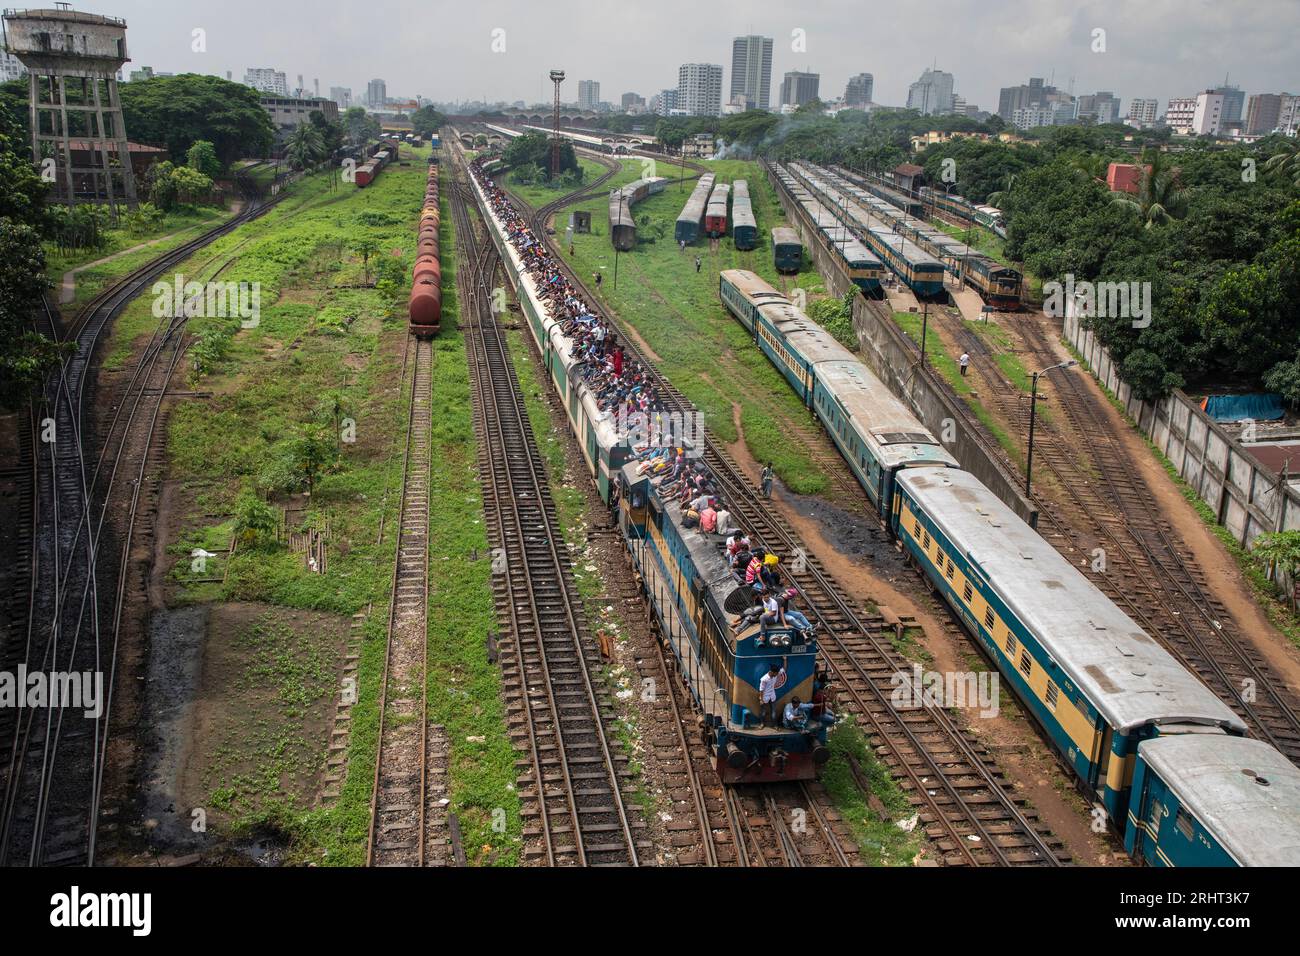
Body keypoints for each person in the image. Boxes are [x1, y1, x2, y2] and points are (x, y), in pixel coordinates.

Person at [758, 658, 786, 727]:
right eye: (776, 673)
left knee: (774, 712)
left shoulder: (775, 674)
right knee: (763, 712)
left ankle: (775, 725)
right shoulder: (764, 679)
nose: (777, 675)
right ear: (772, 672)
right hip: (765, 697)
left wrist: (785, 659)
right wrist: (761, 700)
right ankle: (762, 723)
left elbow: (784, 669)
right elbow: (761, 690)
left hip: (772, 696)